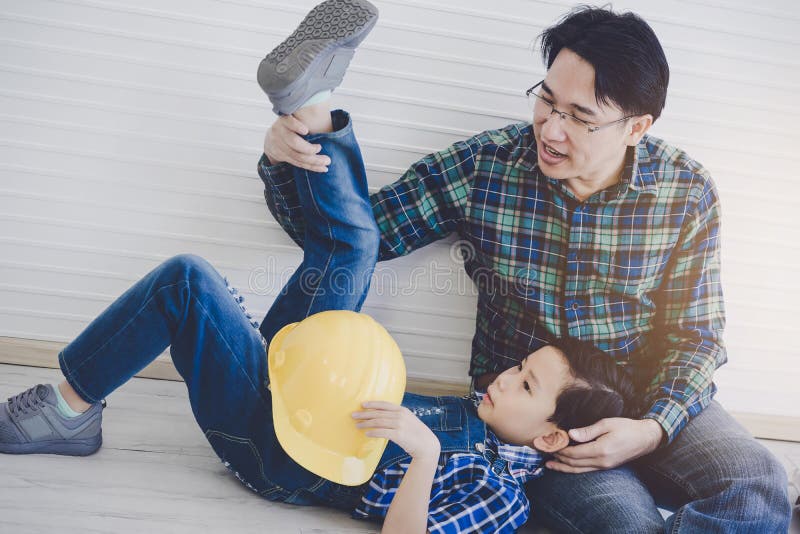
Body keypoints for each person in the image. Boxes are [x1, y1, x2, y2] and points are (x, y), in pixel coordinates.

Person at [0, 1, 634, 532]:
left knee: (187, 280)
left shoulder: (501, 495)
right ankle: (316, 106)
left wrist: (424, 452)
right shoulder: (493, 163)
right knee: (353, 248)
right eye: (520, 368)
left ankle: (69, 407)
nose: (505, 376)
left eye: (525, 386)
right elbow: (375, 224)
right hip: (298, 383)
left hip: (279, 452)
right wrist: (287, 157)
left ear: (550, 438)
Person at [259, 1, 793, 532]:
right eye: (546, 100)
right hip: (540, 422)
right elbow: (355, 238)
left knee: (760, 485)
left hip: (652, 394)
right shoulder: (486, 166)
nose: (551, 129)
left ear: (637, 127)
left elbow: (696, 335)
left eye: (580, 117)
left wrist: (653, 428)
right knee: (629, 528)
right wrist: (290, 158)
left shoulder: (685, 191)